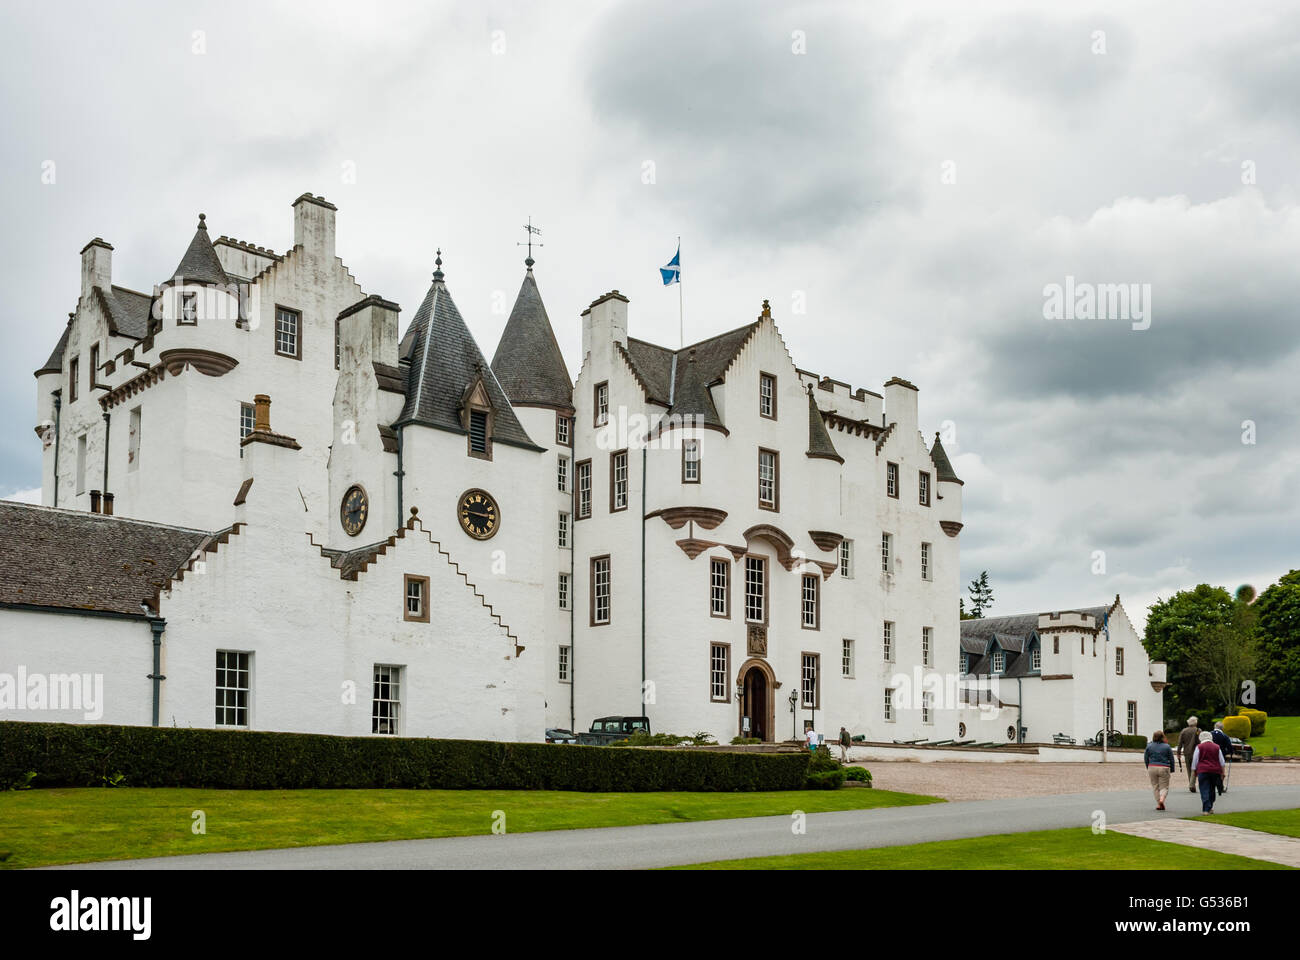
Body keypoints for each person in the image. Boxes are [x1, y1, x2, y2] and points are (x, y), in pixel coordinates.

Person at [1191, 730, 1225, 814]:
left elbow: (1195, 760)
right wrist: (1223, 772)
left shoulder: (1199, 747)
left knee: (1204, 788)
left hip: (1202, 770)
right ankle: (1209, 807)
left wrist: (1194, 770)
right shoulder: (1217, 747)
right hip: (1215, 770)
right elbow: (1222, 761)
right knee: (1212, 789)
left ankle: (1206, 808)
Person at [1143, 730, 1176, 810]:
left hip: (1152, 767)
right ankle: (1162, 800)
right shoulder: (1167, 746)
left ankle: (1159, 803)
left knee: (1155, 786)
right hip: (1164, 767)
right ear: (1162, 737)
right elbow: (1171, 759)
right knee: (1164, 786)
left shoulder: (1149, 746)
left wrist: (1148, 766)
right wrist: (1172, 769)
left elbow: (1146, 758)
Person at [1177, 717, 1200, 793]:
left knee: (1189, 769)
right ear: (1196, 723)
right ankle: (1193, 784)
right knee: (1196, 768)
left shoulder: (1184, 731)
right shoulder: (1198, 730)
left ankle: (1191, 784)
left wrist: (1178, 752)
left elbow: (1180, 742)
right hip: (1196, 752)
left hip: (1187, 752)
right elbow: (1200, 741)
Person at [1212, 721, 1234, 795]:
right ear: (1222, 728)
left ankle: (1211, 786)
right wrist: (1231, 753)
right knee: (1220, 771)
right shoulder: (1224, 736)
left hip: (1210, 755)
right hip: (1221, 755)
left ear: (1215, 727)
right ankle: (1220, 787)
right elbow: (1229, 746)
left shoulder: (1209, 734)